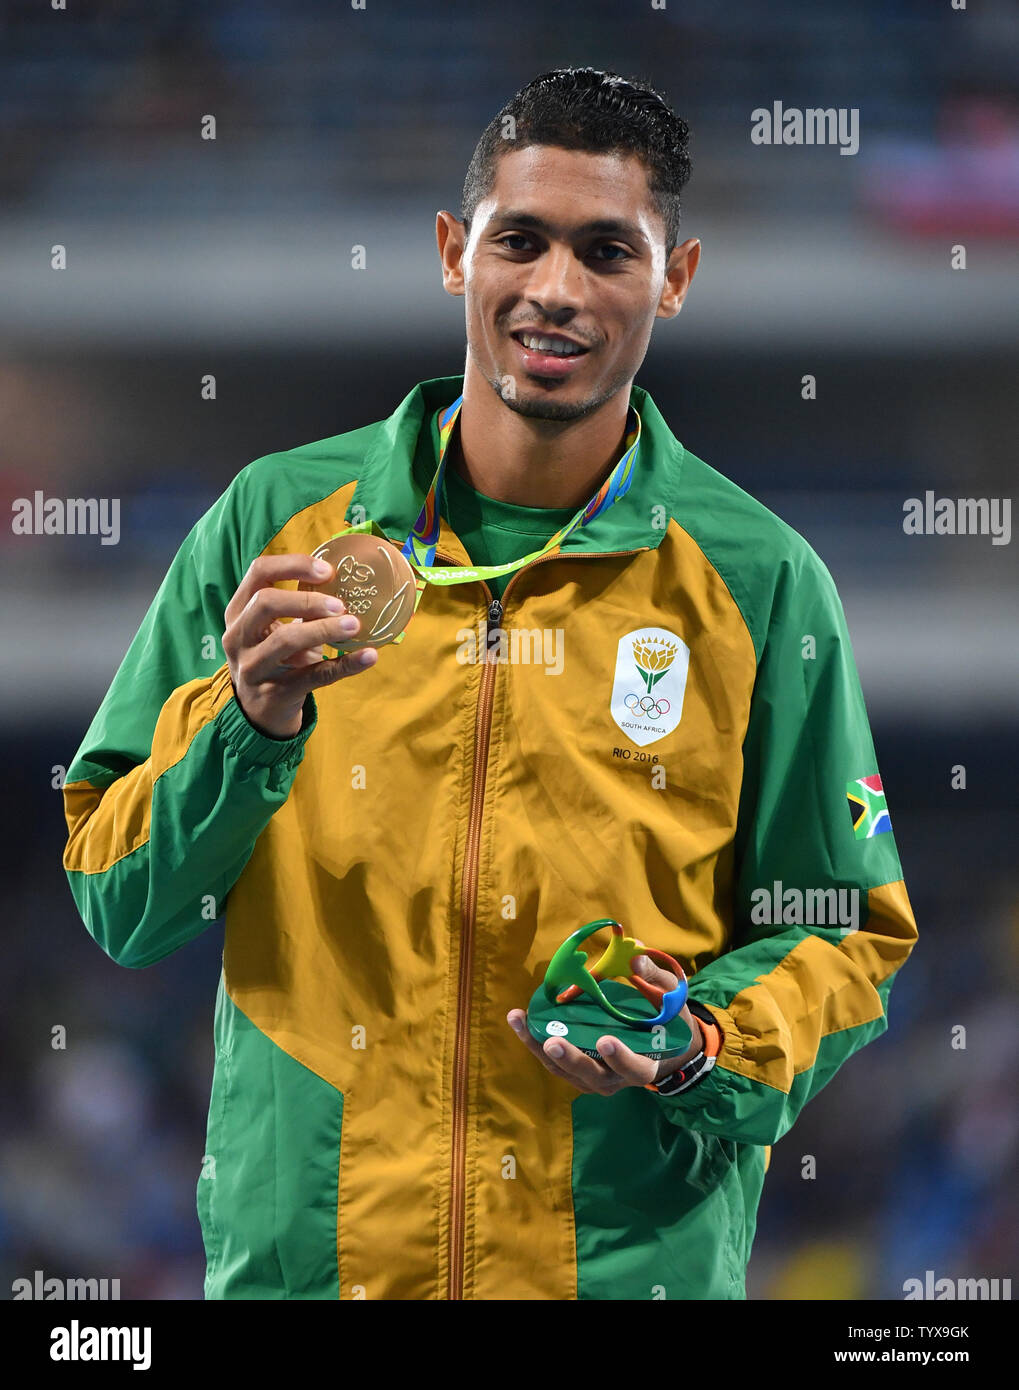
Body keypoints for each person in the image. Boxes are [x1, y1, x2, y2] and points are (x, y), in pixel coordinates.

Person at [62, 67, 918, 1301]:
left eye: (606, 251)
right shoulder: (278, 529)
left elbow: (841, 927)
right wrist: (244, 727)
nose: (555, 290)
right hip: (314, 1274)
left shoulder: (760, 582)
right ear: (455, 253)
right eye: (520, 241)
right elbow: (117, 895)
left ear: (672, 280)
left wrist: (699, 1043)